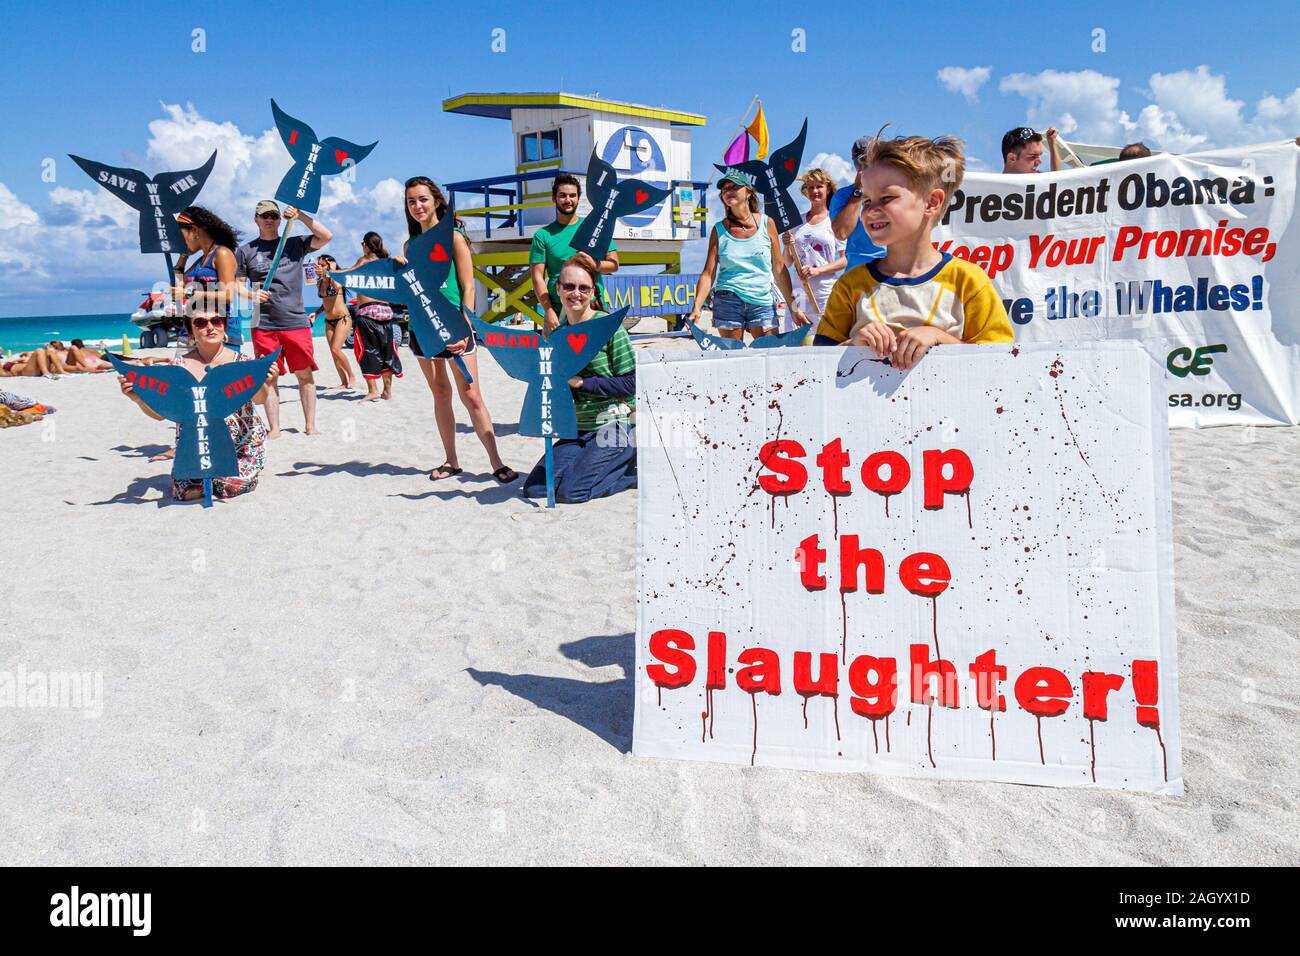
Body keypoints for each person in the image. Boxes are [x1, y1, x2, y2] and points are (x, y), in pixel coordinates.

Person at [814, 135, 1014, 369]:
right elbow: (816, 364)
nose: (872, 210)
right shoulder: (850, 286)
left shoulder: (969, 281)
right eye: (867, 201)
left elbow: (1002, 360)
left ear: (932, 202)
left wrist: (940, 339)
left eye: (887, 198)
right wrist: (853, 345)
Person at [403, 176, 517, 483]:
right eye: (412, 201)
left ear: (437, 201)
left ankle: (496, 461)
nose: (417, 206)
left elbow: (468, 285)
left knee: (472, 395)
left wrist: (465, 325)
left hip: (454, 325)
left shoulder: (453, 237)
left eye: (423, 199)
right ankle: (451, 461)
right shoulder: (410, 245)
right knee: (440, 394)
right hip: (422, 326)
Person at [117, 292, 275, 502]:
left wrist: (263, 381)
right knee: (184, 492)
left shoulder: (242, 362)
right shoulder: (178, 368)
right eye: (200, 322)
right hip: (196, 446)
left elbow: (260, 399)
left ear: (224, 326)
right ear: (191, 330)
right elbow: (160, 415)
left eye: (216, 321)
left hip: (242, 444)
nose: (210, 327)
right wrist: (138, 398)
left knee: (228, 484)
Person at [523, 257, 637, 503]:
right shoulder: (560, 334)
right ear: (558, 289)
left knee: (572, 492)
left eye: (583, 288)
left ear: (593, 291)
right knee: (536, 489)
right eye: (569, 287)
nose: (576, 294)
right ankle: (592, 463)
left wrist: (582, 383)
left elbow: (632, 384)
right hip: (579, 428)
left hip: (613, 424)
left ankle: (632, 473)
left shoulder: (609, 328)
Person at [235, 199, 332, 438]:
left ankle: (310, 425)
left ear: (279, 219)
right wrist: (251, 294)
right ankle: (275, 429)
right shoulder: (245, 251)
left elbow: (326, 236)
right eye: (264, 216)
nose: (269, 220)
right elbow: (236, 286)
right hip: (262, 322)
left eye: (273, 215)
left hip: (295, 320)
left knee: (304, 373)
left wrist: (300, 216)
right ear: (255, 219)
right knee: (269, 377)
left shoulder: (294, 244)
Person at [687, 169, 808, 341]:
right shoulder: (719, 230)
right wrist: (697, 308)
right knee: (733, 358)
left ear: (749, 192)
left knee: (768, 353)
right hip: (728, 299)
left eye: (734, 187)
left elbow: (779, 269)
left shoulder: (767, 223)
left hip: (762, 299)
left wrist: (794, 308)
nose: (728, 191)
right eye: (725, 189)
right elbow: (708, 273)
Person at [529, 173, 619, 335]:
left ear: (578, 198)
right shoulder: (542, 235)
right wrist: (548, 312)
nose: (568, 200)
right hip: (558, 311)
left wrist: (595, 265)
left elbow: (614, 264)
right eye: (562, 195)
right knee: (558, 359)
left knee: (598, 358)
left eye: (572, 195)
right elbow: (537, 278)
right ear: (554, 198)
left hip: (592, 307)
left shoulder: (595, 226)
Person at [784, 169, 847, 326]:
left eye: (819, 186)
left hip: (824, 291)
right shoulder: (796, 221)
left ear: (828, 188)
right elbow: (787, 262)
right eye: (810, 187)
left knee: (824, 340)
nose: (815, 191)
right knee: (795, 339)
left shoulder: (836, 220)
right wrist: (786, 246)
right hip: (798, 291)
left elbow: (845, 259)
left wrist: (817, 270)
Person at [345, 232, 402, 400]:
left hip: (367, 312)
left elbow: (347, 275)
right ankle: (387, 392)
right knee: (387, 354)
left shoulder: (364, 261)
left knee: (368, 352)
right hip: (386, 311)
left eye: (363, 243)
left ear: (367, 245)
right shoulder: (386, 263)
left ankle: (373, 391)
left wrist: (330, 272)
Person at [175, 206, 241, 348]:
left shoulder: (222, 253)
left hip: (220, 327)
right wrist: (183, 255)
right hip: (197, 325)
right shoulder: (201, 260)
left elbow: (228, 295)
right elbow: (177, 284)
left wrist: (189, 293)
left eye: (181, 235)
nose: (181, 241)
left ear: (194, 230)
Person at [830, 135, 889, 271]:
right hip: (858, 274)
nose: (867, 166)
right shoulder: (843, 196)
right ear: (856, 165)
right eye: (861, 162)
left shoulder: (893, 190)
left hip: (892, 273)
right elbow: (841, 233)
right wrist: (859, 190)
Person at [310, 253, 358, 390]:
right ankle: (343, 382)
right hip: (328, 321)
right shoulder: (319, 282)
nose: (319, 267)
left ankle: (351, 376)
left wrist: (330, 271)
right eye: (318, 265)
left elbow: (337, 287)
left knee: (336, 349)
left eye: (322, 264)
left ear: (331, 264)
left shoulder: (336, 278)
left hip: (342, 319)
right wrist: (316, 313)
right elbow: (326, 303)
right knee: (333, 353)